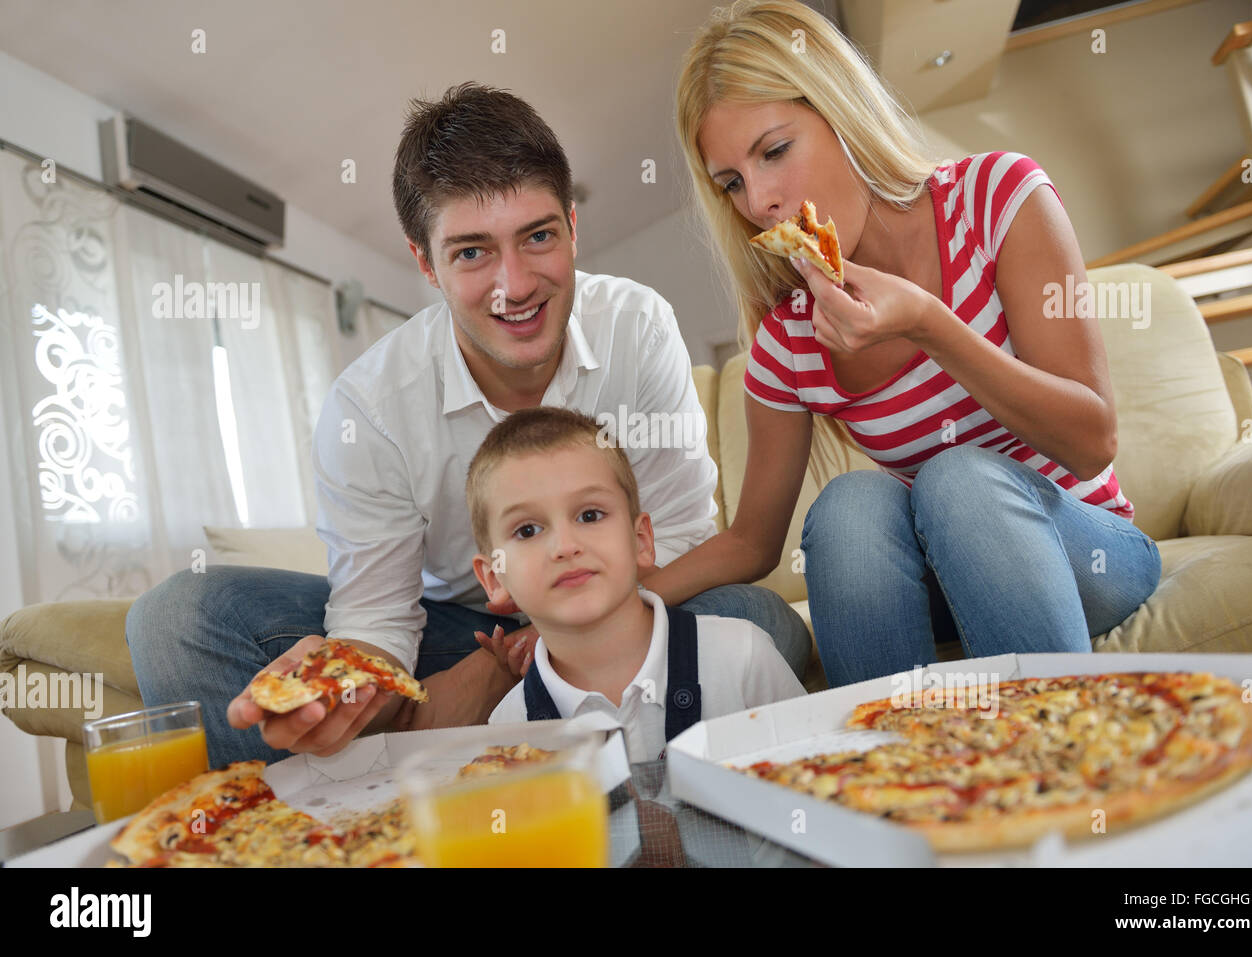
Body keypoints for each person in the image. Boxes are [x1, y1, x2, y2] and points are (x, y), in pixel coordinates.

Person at [125, 82, 811, 769]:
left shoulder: (638, 325)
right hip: (454, 632)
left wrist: (549, 635)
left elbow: (679, 538)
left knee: (755, 623)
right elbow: (378, 625)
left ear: (574, 228)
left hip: (618, 605)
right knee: (175, 621)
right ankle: (342, 825)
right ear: (425, 262)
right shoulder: (368, 405)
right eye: (472, 252)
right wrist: (347, 677)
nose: (513, 285)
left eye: (537, 236)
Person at [646, 0, 1161, 686]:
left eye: (775, 151)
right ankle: (889, 766)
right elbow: (749, 541)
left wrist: (928, 323)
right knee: (849, 508)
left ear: (841, 113)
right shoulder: (787, 341)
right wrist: (613, 600)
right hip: (943, 581)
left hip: (1087, 550)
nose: (761, 201)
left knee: (959, 478)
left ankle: (1062, 755)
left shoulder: (997, 199)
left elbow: (1092, 438)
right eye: (732, 182)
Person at [463, 407, 804, 762]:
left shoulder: (744, 657)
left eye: (589, 515)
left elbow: (819, 785)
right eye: (528, 530)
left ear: (640, 539)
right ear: (494, 579)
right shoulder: (510, 730)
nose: (565, 547)